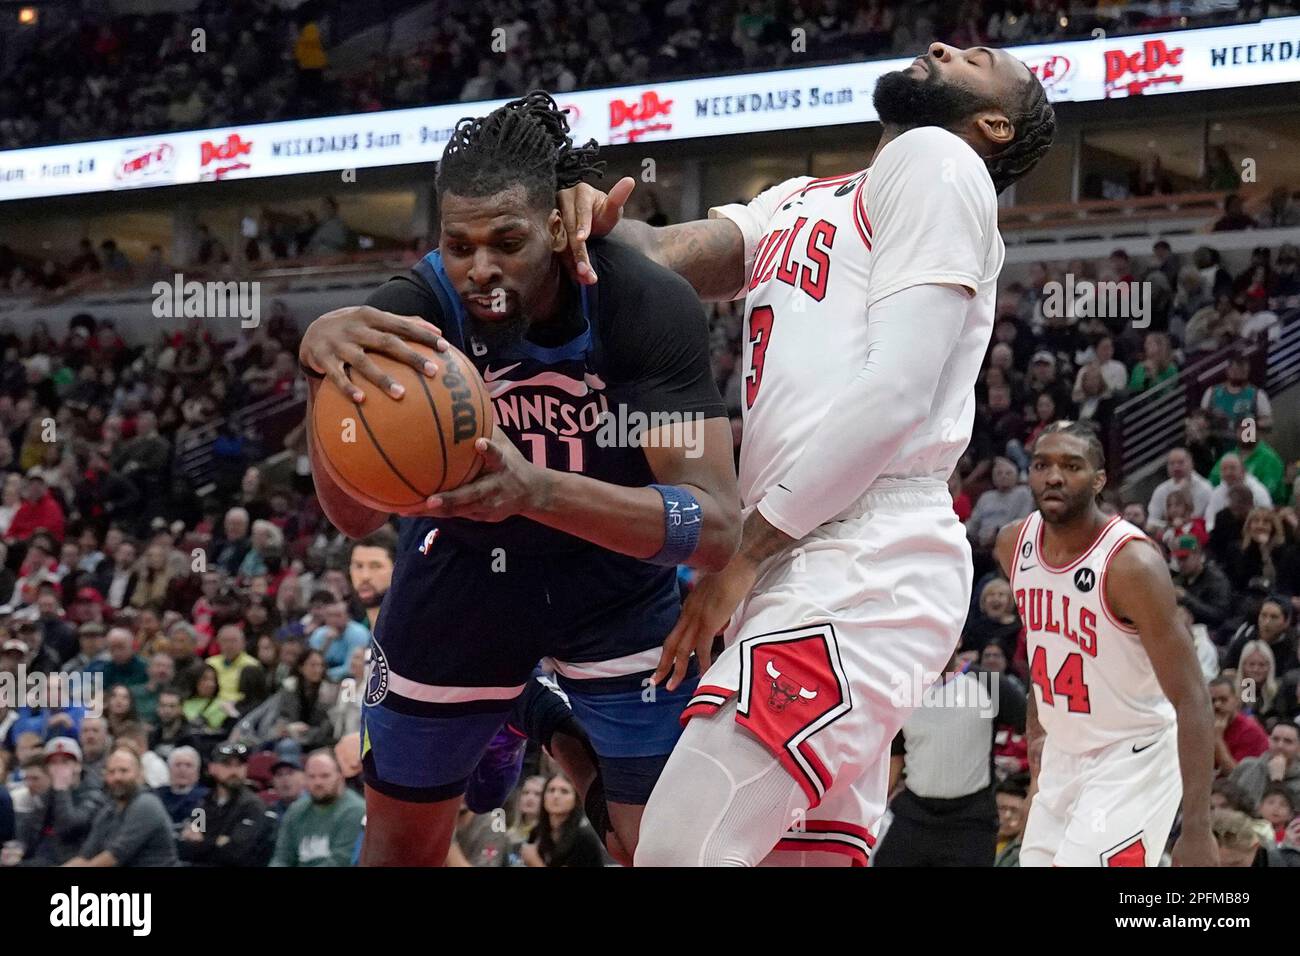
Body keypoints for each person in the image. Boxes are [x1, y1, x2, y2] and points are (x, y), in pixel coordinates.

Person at [561, 41, 1056, 867]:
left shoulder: (939, 159)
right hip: (795, 548)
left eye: (977, 57)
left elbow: (897, 393)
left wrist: (744, 556)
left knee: (680, 848)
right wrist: (580, 224)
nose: (941, 45)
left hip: (863, 553)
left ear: (994, 123)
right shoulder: (805, 195)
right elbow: (660, 259)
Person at [299, 93, 741, 866]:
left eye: (507, 241)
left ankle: (539, 716)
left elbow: (712, 529)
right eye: (459, 245)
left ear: (562, 226)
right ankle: (528, 708)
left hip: (616, 582)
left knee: (662, 850)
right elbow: (354, 522)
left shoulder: (641, 302)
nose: (481, 270)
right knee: (401, 855)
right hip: (463, 581)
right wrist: (321, 384)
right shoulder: (414, 311)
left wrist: (535, 490)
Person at [994, 423, 1216, 865]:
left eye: (1071, 466)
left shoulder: (1132, 565)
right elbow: (1046, 651)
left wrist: (1197, 827)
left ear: (1099, 480)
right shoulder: (1012, 544)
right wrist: (1040, 739)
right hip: (1063, 756)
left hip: (1132, 757)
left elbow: (1193, 697)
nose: (1053, 477)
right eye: (1042, 465)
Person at [873, 653, 1026, 867]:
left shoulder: (988, 683)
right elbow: (896, 755)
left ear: (959, 639)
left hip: (970, 821)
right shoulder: (904, 690)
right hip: (915, 814)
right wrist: (873, 809)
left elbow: (1032, 724)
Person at [64, 747, 178, 867]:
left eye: (124, 771)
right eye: (111, 772)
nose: (117, 777)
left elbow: (112, 857)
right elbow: (85, 857)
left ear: (140, 774)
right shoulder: (108, 811)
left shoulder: (147, 804)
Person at [6, 738, 107, 866]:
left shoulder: (94, 793)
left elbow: (69, 828)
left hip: (70, 860)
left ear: (77, 766)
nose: (59, 769)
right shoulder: (48, 793)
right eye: (54, 763)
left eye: (65, 762)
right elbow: (31, 834)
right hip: (40, 858)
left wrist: (61, 790)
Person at [177, 743, 275, 867]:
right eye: (227, 765)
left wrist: (203, 841)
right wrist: (217, 841)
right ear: (212, 768)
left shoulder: (253, 805)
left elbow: (236, 853)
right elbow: (186, 846)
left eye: (239, 765)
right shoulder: (203, 803)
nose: (234, 771)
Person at [270, 749, 366, 867]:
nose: (318, 782)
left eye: (325, 776)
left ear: (340, 777)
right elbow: (282, 857)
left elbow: (341, 861)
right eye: (312, 776)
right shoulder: (296, 811)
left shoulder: (355, 810)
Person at [521, 773, 607, 867]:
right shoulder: (537, 832)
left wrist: (535, 863)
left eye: (564, 791)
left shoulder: (584, 837)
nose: (556, 796)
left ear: (576, 799)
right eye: (551, 790)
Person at [1228, 720, 1300, 809]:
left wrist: (1277, 781)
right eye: (1275, 739)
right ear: (1268, 740)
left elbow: (1290, 815)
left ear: (1298, 747)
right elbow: (1226, 798)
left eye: (1288, 741)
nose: (1280, 745)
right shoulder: (1247, 765)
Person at [1211, 675, 1270, 773]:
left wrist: (1217, 739)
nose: (1217, 705)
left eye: (1223, 700)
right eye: (1212, 700)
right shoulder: (1204, 726)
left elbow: (1237, 775)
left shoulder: (1250, 730)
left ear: (1236, 701)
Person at [1147, 447, 1213, 528]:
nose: (1176, 467)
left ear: (1191, 463)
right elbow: (1151, 521)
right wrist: (1169, 525)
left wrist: (1184, 493)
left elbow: (1196, 519)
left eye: (1181, 462)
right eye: (1172, 463)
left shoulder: (1204, 488)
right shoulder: (1160, 490)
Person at [153, 746, 208, 829]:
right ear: (169, 769)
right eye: (177, 765)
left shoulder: (206, 797)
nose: (182, 769)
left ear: (197, 771)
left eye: (188, 765)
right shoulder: (156, 795)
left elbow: (198, 829)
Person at [993, 778, 1028, 867]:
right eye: (1002, 808)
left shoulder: (1023, 852)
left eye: (1014, 810)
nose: (1007, 816)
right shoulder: (974, 842)